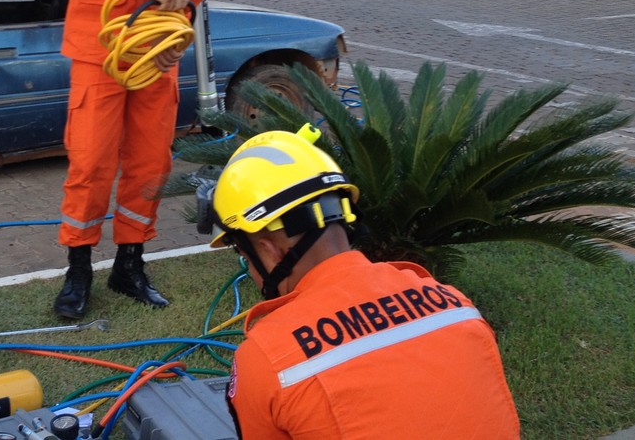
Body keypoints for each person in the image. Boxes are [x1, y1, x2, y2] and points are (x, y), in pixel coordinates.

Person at [199, 126, 521, 439]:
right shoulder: (455, 305)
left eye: (245, 255)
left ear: (269, 249)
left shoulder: (267, 360)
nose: (251, 271)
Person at [50, 0, 230, 319]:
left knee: (151, 161)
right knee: (91, 161)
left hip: (157, 44)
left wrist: (178, 11)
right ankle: (79, 269)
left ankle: (130, 264)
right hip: (99, 43)